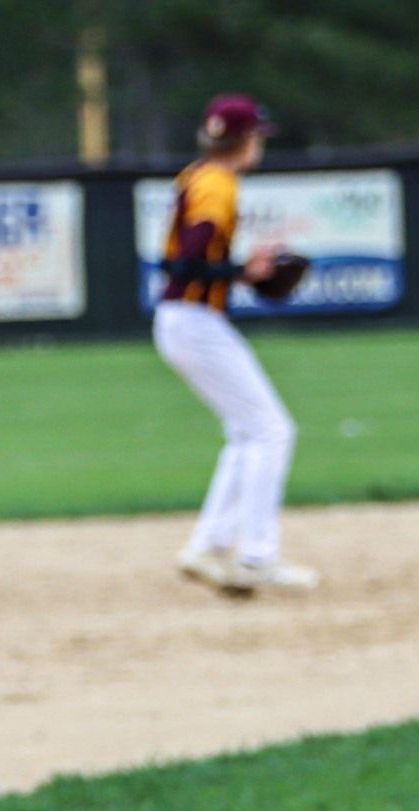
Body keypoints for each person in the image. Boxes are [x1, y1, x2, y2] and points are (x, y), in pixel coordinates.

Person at [154, 93, 317, 596]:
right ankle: (257, 558)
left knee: (248, 432)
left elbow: (187, 260)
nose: (258, 147)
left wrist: (239, 271)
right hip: (193, 320)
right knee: (272, 431)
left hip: (187, 319)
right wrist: (243, 271)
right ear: (244, 140)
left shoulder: (198, 176)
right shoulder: (217, 184)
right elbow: (186, 263)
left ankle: (210, 546)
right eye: (256, 138)